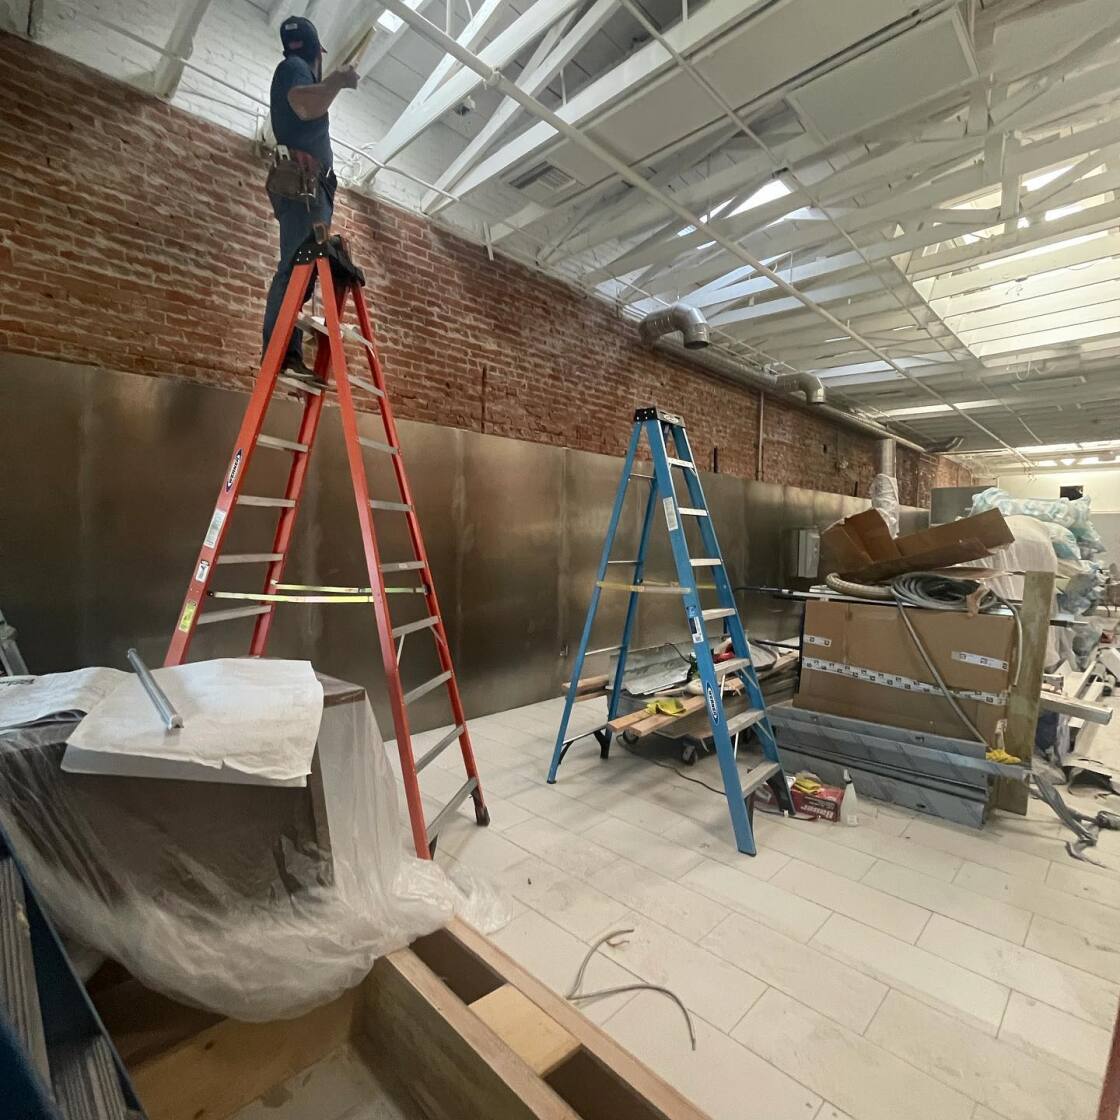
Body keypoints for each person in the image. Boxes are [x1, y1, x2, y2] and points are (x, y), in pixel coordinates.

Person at [262, 16, 359, 382]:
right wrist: (337, 80)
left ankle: (287, 352)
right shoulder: (295, 67)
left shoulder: (293, 66)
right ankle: (281, 356)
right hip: (304, 184)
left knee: (301, 271)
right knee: (293, 269)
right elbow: (303, 105)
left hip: (309, 187)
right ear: (319, 51)